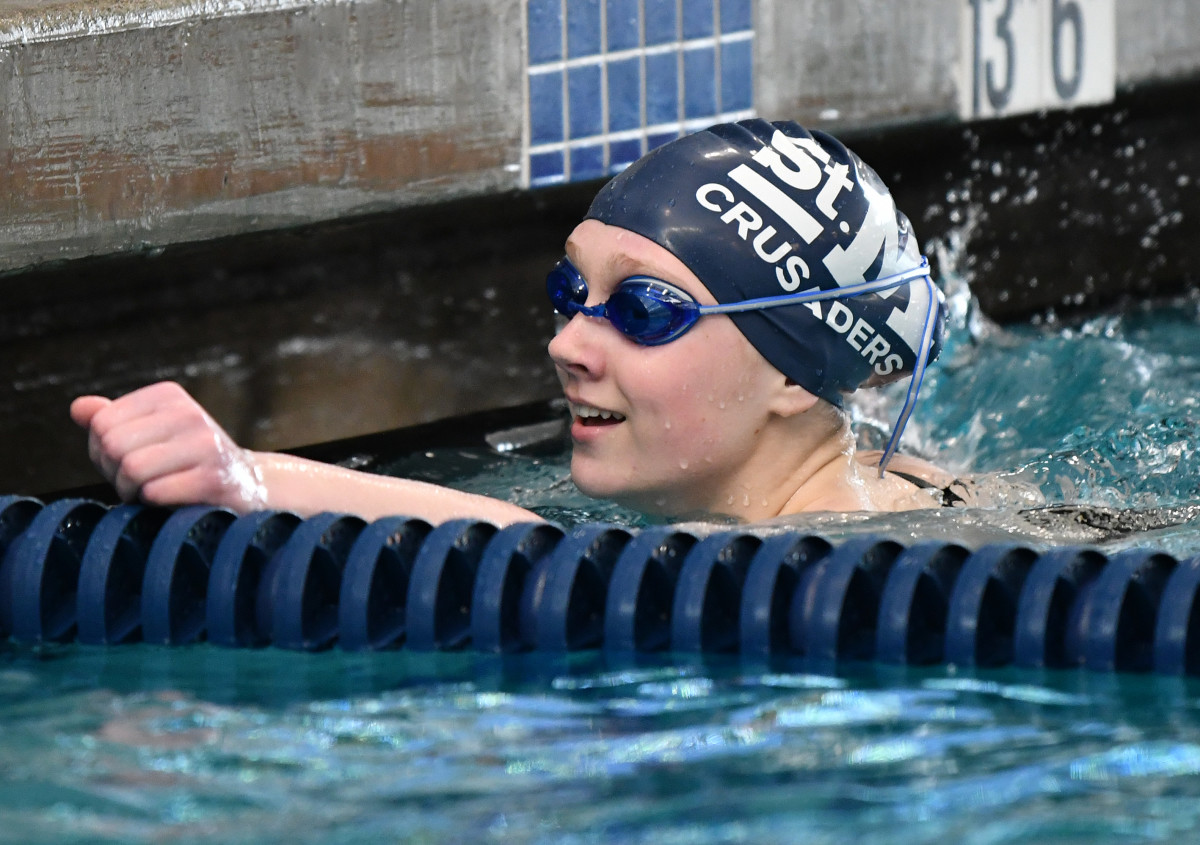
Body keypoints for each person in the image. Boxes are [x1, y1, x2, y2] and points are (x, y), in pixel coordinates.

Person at [70, 119, 958, 528]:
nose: (566, 344)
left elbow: (533, 549)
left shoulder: (842, 556)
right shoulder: (911, 485)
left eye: (646, 310)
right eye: (571, 290)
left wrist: (250, 478)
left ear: (794, 373)